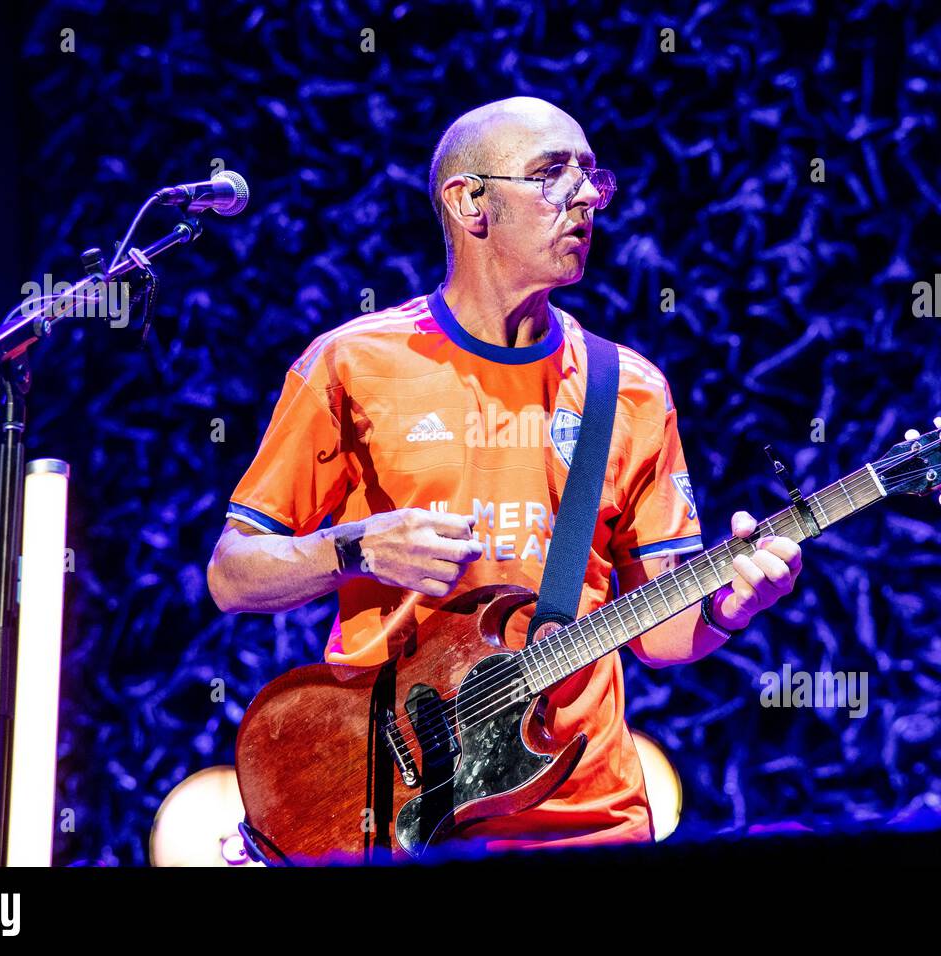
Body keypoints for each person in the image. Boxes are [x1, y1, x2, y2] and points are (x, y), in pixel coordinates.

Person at [206, 96, 803, 853]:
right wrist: (353, 549)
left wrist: (728, 606)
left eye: (591, 176)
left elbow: (660, 634)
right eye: (552, 174)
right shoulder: (352, 364)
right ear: (469, 202)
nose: (586, 196)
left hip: (589, 820)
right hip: (393, 816)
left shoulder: (632, 388)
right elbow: (232, 576)